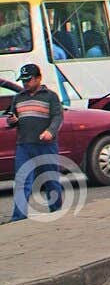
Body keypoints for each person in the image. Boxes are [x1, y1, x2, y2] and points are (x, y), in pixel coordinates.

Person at [3, 64, 63, 222]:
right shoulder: (19, 97)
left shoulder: (50, 96)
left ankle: (56, 210)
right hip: (24, 145)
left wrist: (50, 131)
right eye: (23, 81)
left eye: (28, 80)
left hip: (46, 146)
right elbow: (13, 119)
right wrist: (12, 121)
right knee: (22, 181)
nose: (25, 84)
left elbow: (57, 117)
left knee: (50, 180)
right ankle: (19, 216)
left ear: (38, 78)